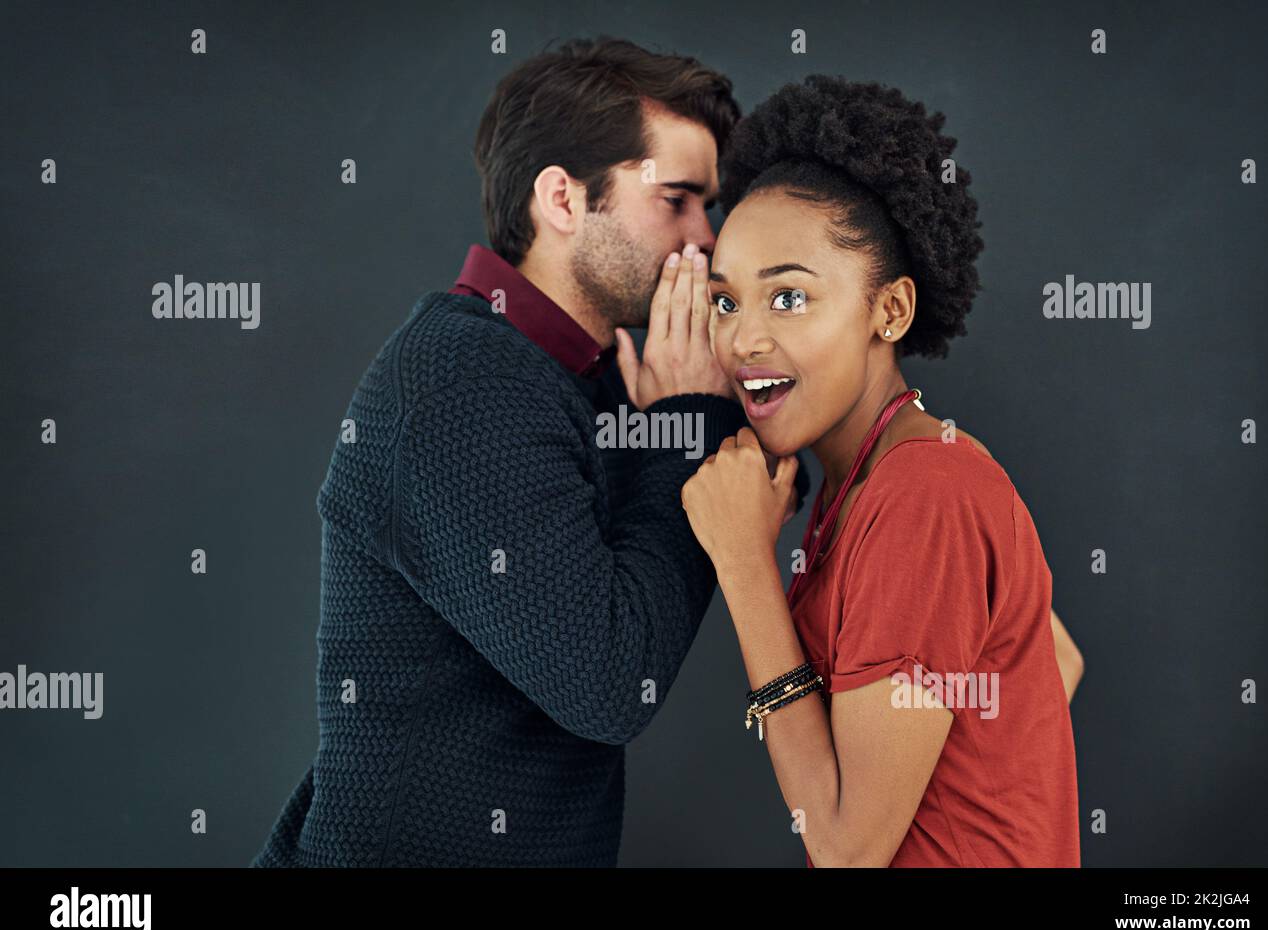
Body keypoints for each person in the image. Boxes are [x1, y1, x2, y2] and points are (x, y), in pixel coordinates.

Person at [250, 36, 804, 867]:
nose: (705, 242)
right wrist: (686, 422)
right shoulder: (459, 376)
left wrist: (703, 415)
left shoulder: (588, 373)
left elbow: (769, 478)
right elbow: (612, 682)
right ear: (563, 199)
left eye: (709, 208)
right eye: (678, 201)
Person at [679, 75, 1083, 866]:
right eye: (725, 303)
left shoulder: (922, 492)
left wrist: (741, 559)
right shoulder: (894, 472)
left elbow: (844, 846)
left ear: (889, 312)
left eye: (788, 298)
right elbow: (1051, 659)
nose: (744, 342)